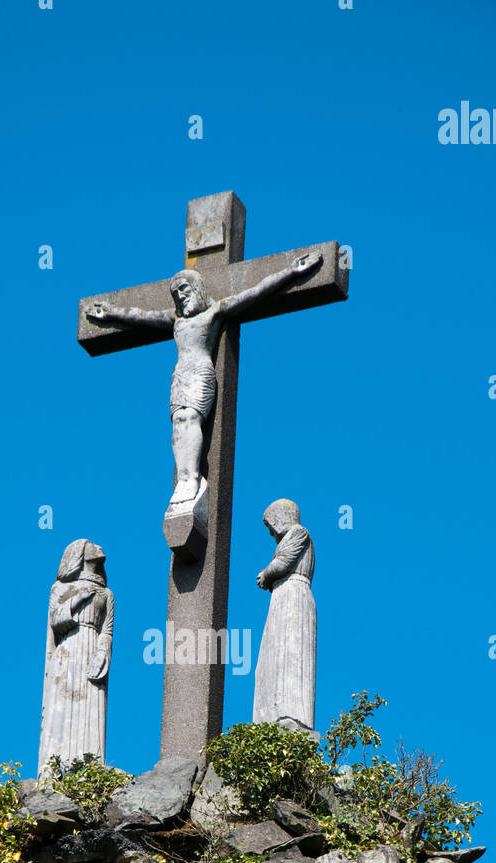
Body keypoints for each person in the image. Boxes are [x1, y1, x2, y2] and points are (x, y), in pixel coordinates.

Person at [87, 253, 322, 509]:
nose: (180, 296)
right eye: (175, 293)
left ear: (197, 289)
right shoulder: (175, 319)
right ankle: (184, 477)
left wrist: (290, 271)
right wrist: (112, 313)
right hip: (180, 376)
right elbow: (140, 315)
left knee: (190, 417)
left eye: (184, 289)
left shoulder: (214, 312)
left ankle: (193, 479)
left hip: (200, 371)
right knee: (178, 423)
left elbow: (255, 292)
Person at [37, 539, 113, 775]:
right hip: (67, 651)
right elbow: (55, 622)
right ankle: (55, 767)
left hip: (91, 649)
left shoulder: (106, 593)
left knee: (90, 704)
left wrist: (102, 652)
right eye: (92, 544)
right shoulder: (60, 588)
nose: (99, 547)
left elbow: (107, 629)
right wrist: (78, 599)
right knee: (62, 705)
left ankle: (87, 769)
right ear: (79, 553)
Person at [253, 499, 316, 731]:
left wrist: (266, 573)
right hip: (282, 598)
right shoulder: (294, 535)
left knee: (290, 655)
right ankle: (271, 714)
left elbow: (283, 562)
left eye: (270, 526)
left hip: (293, 598)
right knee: (271, 659)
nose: (271, 534)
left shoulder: (299, 532)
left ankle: (290, 714)